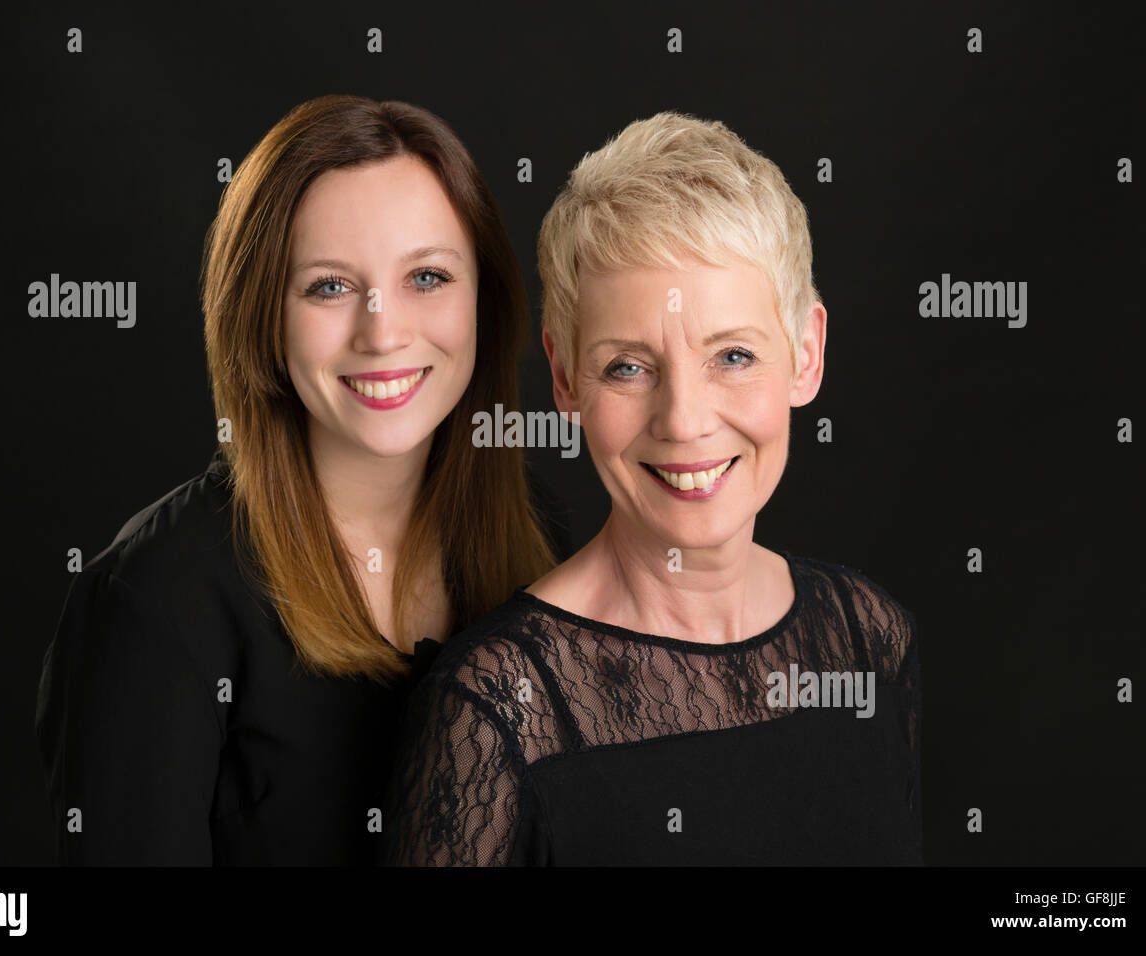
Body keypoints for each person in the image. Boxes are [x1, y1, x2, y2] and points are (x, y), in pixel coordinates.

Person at [34, 95, 570, 865]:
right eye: (328, 286)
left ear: (484, 296)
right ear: (264, 314)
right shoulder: (154, 602)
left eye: (427, 275)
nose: (383, 332)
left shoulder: (540, 539)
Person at [381, 110, 922, 866]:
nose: (685, 421)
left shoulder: (870, 638)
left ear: (806, 355)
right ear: (567, 380)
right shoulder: (494, 708)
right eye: (628, 368)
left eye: (732, 356)